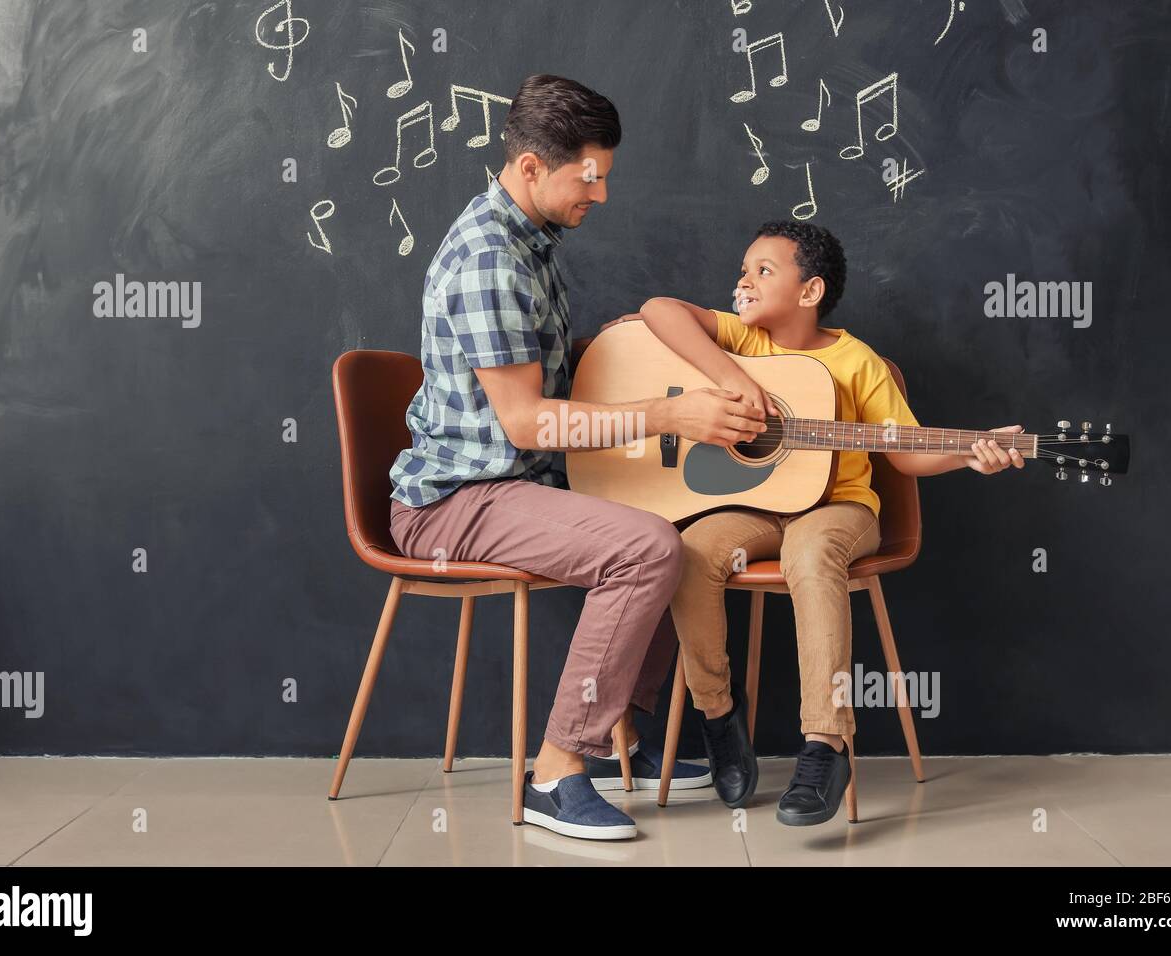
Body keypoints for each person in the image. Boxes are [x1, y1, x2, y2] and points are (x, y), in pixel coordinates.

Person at [387, 74, 768, 841]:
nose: (599, 194)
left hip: (514, 485)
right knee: (644, 549)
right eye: (587, 177)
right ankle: (558, 772)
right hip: (456, 502)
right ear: (531, 167)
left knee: (679, 524)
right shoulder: (493, 259)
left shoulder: (532, 243)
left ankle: (622, 729)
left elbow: (543, 383)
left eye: (604, 175)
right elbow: (527, 424)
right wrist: (665, 414)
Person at [615, 220, 1025, 826]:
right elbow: (657, 310)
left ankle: (825, 747)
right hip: (758, 509)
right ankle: (720, 719)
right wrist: (734, 379)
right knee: (690, 552)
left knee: (809, 555)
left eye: (764, 271)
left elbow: (905, 452)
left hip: (840, 511)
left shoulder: (855, 360)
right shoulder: (742, 340)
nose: (744, 281)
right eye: (744, 268)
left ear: (809, 292)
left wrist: (969, 450)